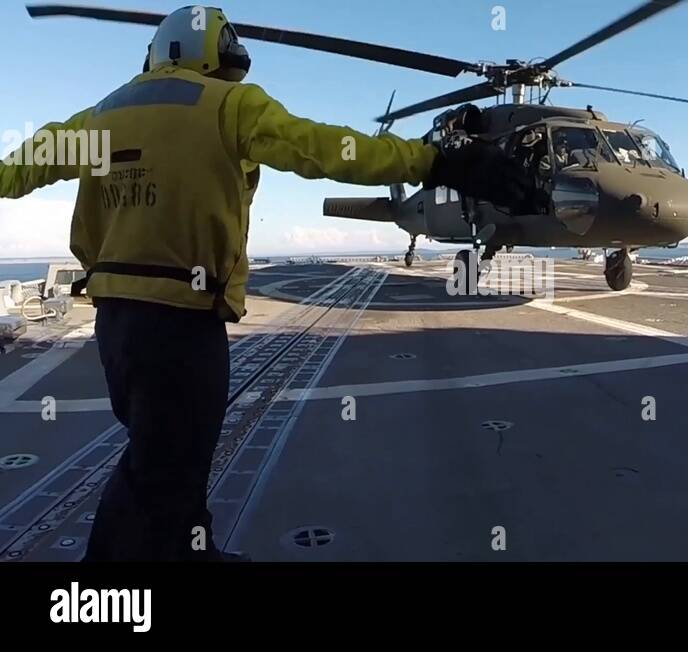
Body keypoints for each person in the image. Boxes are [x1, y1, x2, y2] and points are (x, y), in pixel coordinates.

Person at [0, 6, 527, 561]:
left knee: (171, 453)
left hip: (117, 322)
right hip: (181, 316)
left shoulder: (96, 119)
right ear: (207, 54)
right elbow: (325, 149)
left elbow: (14, 174)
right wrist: (433, 162)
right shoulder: (229, 104)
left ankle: (188, 550)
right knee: (161, 467)